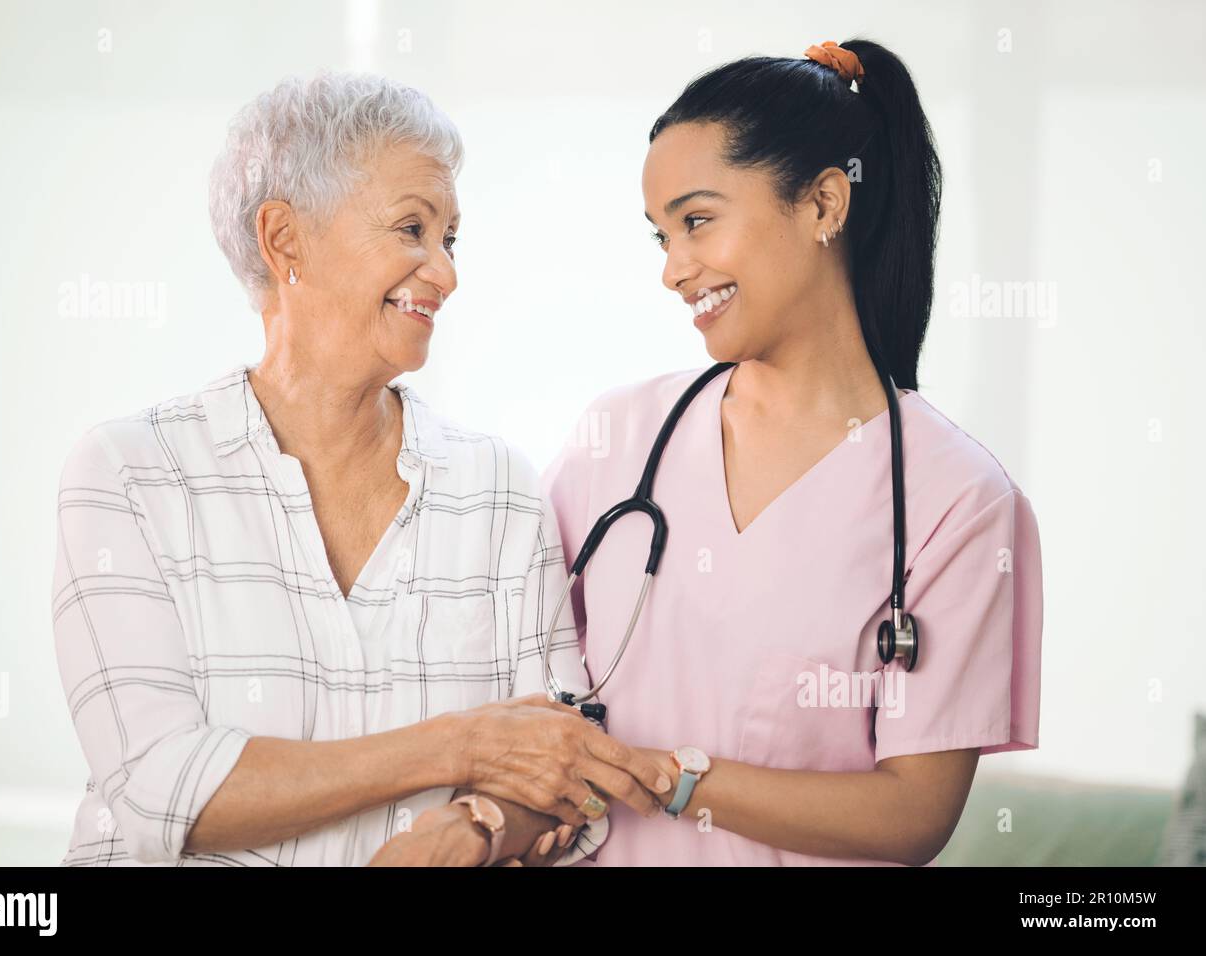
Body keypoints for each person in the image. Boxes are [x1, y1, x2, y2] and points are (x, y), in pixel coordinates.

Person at [51, 70, 670, 867]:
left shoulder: (498, 491)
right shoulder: (130, 475)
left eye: (450, 238)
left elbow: (568, 774)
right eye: (412, 228)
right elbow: (160, 789)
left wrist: (479, 823)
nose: (446, 272)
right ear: (284, 242)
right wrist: (461, 748)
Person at [541, 39, 1044, 866]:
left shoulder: (958, 499)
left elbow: (913, 814)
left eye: (697, 221)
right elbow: (522, 693)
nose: (673, 269)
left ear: (822, 206)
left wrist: (675, 778)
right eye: (659, 236)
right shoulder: (617, 440)